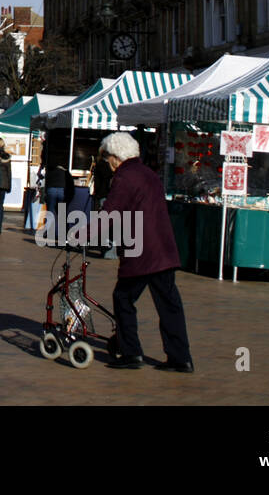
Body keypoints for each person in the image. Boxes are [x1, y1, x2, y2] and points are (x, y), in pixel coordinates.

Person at [98, 132, 193, 372]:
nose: (108, 163)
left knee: (123, 298)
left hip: (142, 252)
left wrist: (78, 234)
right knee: (169, 304)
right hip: (163, 248)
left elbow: (110, 213)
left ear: (116, 158)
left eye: (108, 158)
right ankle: (181, 358)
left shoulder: (124, 177)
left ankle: (131, 353)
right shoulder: (148, 173)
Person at [44, 164, 74, 244]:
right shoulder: (66, 173)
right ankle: (63, 236)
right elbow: (71, 186)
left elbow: (46, 183)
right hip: (62, 192)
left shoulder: (51, 171)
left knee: (50, 212)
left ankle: (48, 233)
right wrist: (68, 199)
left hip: (51, 191)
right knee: (62, 214)